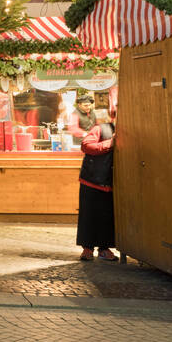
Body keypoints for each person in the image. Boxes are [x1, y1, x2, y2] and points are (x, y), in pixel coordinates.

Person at [76, 107, 117, 261]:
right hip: (92, 180)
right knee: (89, 216)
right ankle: (87, 249)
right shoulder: (101, 128)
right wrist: (110, 143)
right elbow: (86, 146)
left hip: (110, 183)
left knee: (107, 217)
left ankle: (104, 249)